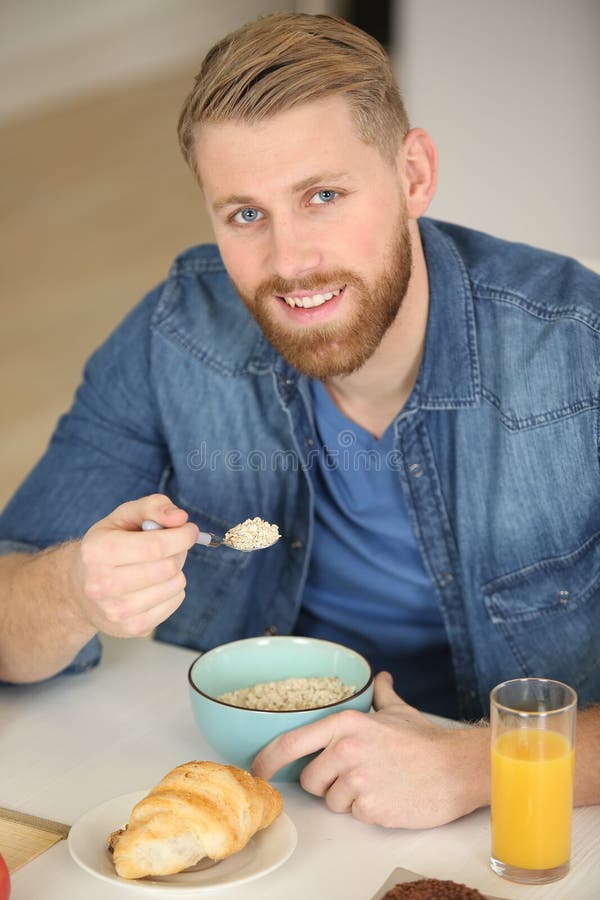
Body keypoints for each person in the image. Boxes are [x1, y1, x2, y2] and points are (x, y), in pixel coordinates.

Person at [1, 12, 599, 828]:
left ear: (415, 173)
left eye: (323, 196)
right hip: (266, 803)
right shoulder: (176, 333)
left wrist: (477, 764)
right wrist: (74, 588)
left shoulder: (577, 347)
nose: (289, 263)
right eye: (245, 214)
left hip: (529, 819)